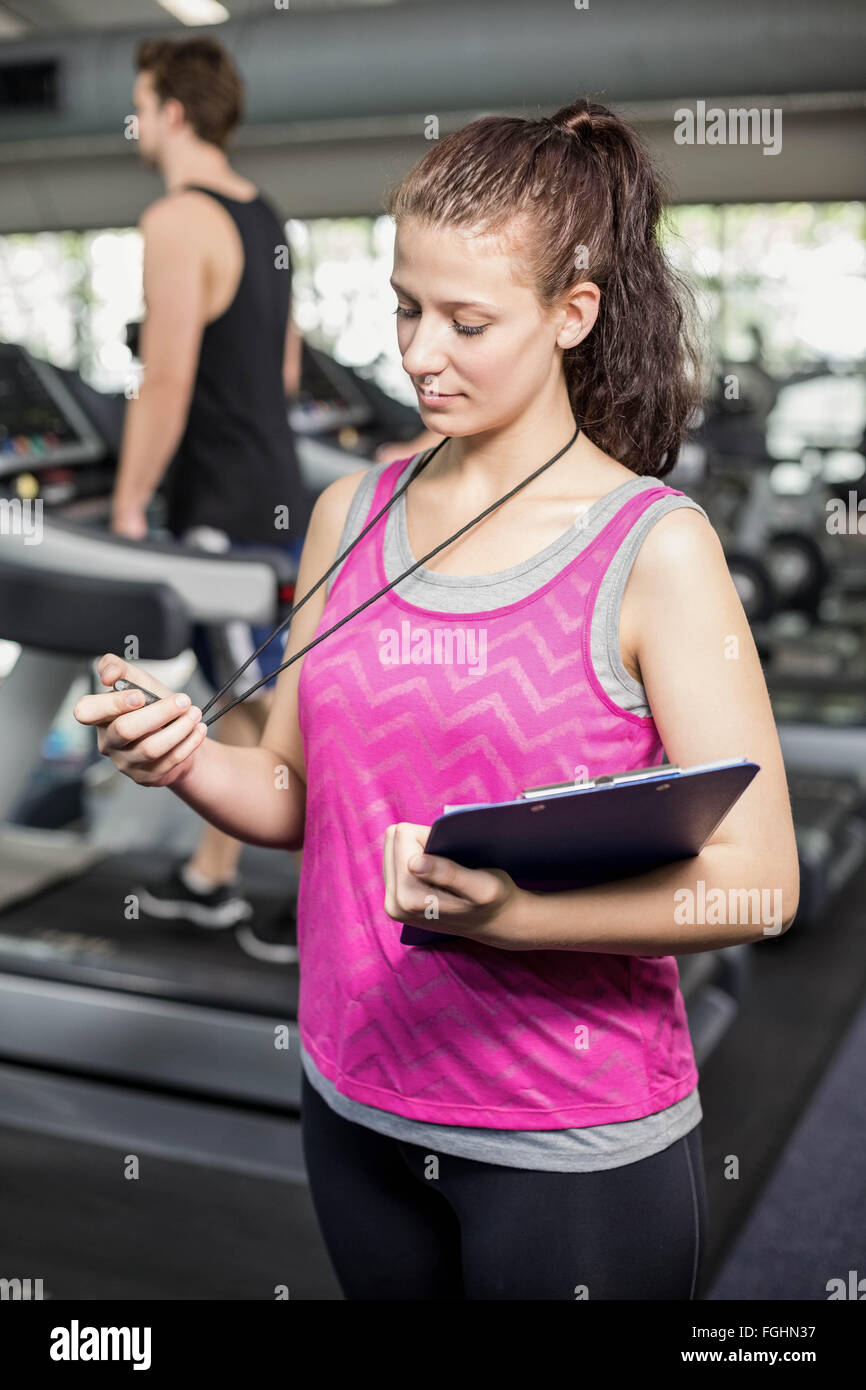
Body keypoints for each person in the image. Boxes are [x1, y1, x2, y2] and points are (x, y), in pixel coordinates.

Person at [75, 97, 799, 1300]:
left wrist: (512, 918)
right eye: (406, 309)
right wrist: (183, 756)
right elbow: (297, 790)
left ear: (571, 314)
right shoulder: (344, 515)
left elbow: (760, 876)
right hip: (353, 1101)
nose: (419, 354)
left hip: (564, 1140)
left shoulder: (652, 547)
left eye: (467, 322)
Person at [111, 35, 313, 943]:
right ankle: (209, 879)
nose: (137, 120)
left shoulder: (177, 219)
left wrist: (126, 507)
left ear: (172, 112)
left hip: (220, 511)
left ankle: (358, 894)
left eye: (141, 103)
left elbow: (167, 379)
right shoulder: (264, 215)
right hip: (276, 495)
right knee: (241, 697)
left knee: (266, 709)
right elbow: (288, 371)